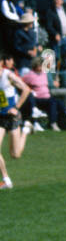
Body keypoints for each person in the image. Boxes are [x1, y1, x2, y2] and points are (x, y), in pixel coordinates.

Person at [0, 53, 31, 186]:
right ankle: (6, 179)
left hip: (12, 117)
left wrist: (17, 108)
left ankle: (26, 130)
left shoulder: (8, 75)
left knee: (15, 154)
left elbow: (26, 89)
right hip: (0, 117)